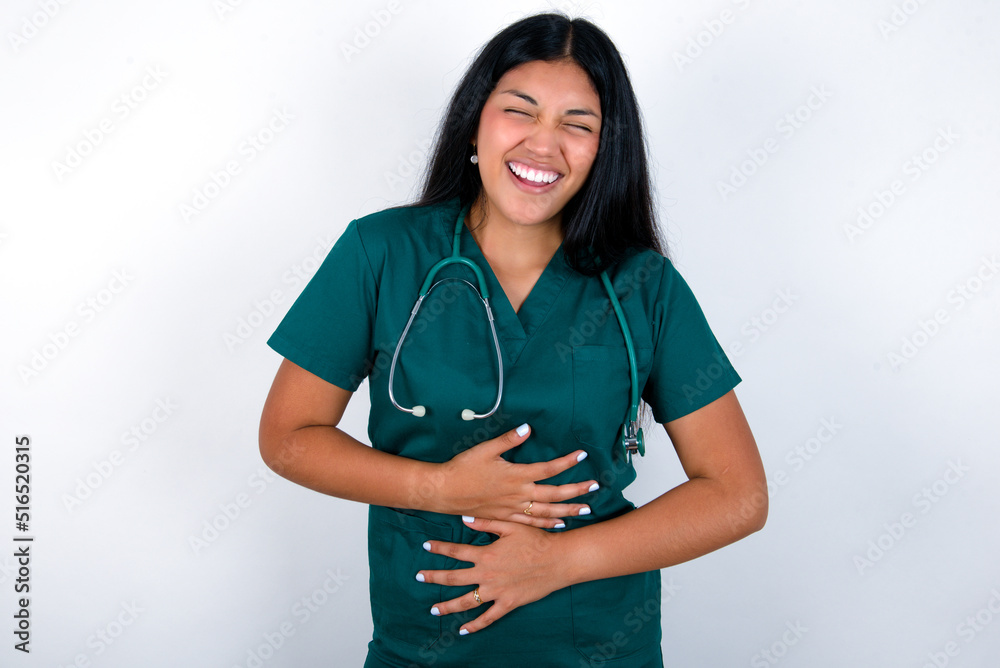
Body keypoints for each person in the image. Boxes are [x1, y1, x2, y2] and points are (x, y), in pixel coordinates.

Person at [259, 12, 766, 668]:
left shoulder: (642, 285)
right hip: (425, 648)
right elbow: (288, 438)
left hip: (600, 646)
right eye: (519, 111)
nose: (543, 145)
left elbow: (737, 494)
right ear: (476, 121)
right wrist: (439, 489)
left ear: (604, 149)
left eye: (577, 124)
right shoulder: (380, 253)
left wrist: (557, 561)